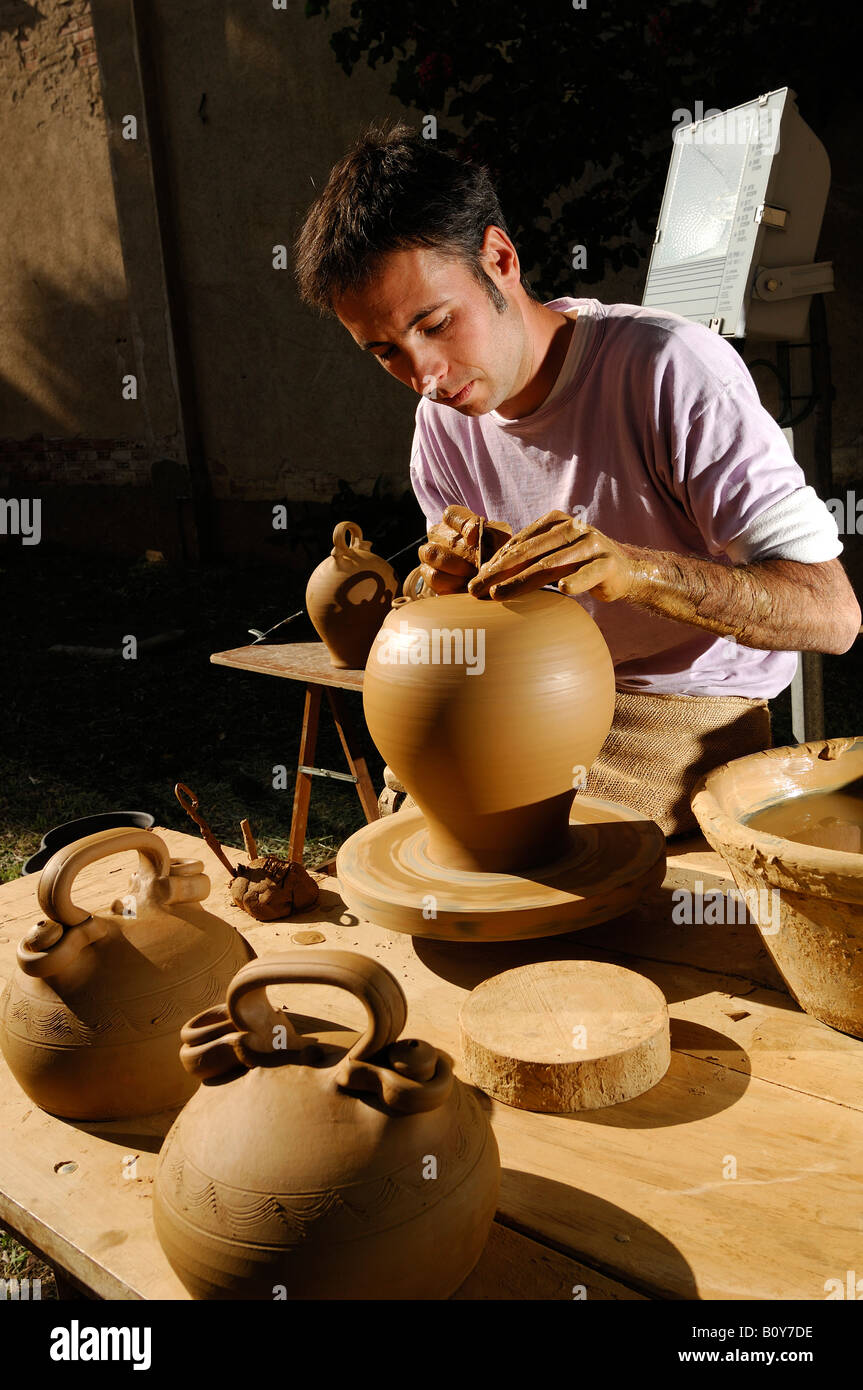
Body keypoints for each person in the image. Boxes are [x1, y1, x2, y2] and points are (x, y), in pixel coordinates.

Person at [295, 123, 861, 834]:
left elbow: (832, 615)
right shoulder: (440, 424)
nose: (424, 376)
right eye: (384, 352)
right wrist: (441, 591)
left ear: (499, 258)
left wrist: (633, 574)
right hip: (522, 690)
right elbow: (467, 623)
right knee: (414, 809)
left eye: (436, 323)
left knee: (541, 841)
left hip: (676, 713)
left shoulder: (667, 369)